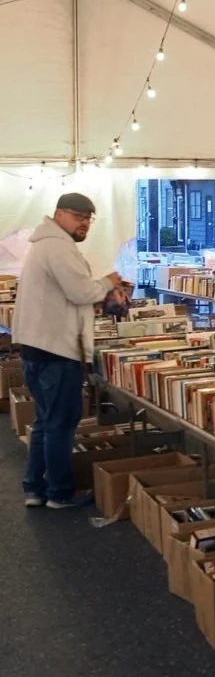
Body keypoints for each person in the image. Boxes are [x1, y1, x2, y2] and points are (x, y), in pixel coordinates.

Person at [12, 193, 123, 509]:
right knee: (60, 424)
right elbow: (81, 292)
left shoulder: (45, 245)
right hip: (56, 349)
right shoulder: (58, 247)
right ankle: (59, 493)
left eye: (88, 218)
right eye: (78, 217)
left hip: (40, 347)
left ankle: (35, 488)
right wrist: (108, 281)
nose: (84, 223)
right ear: (59, 215)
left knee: (47, 423)